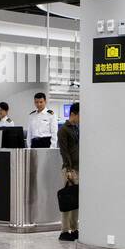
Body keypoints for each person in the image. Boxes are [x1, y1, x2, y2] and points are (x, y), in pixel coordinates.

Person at [57, 102, 80, 241]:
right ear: (73, 114)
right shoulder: (63, 130)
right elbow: (64, 152)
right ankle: (64, 230)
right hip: (69, 169)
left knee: (75, 201)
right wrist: (69, 170)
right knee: (67, 200)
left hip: (78, 168)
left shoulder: (76, 128)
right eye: (80, 115)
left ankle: (74, 228)